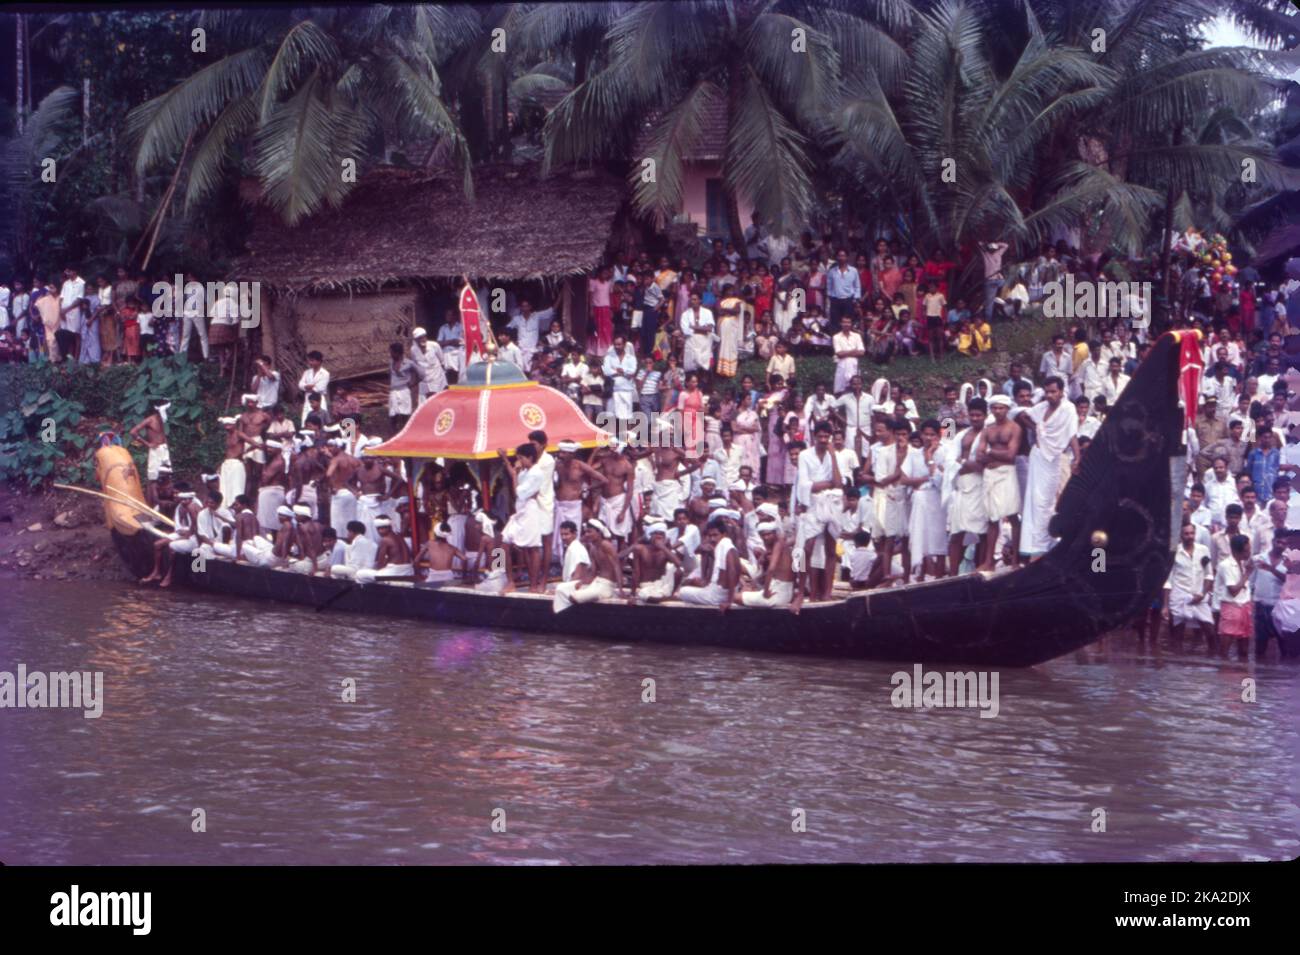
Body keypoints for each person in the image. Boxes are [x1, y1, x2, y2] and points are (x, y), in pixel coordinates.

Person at [1015, 376, 1079, 558]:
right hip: (1037, 455)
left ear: (1061, 391)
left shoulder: (1068, 409)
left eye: (1053, 391)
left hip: (1054, 458)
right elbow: (1022, 415)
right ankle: (1035, 546)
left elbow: (1072, 435)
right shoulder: (1041, 407)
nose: (1050, 395)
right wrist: (1036, 428)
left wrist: (1077, 459)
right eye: (1047, 392)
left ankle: (1046, 542)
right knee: (1034, 500)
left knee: (1047, 502)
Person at [978, 395, 1022, 570]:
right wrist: (993, 455)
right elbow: (979, 455)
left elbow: (1011, 455)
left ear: (1007, 409)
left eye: (1001, 408)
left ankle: (1015, 560)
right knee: (991, 518)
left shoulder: (1014, 428)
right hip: (990, 475)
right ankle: (989, 562)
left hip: (1007, 474)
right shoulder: (988, 429)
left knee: (1012, 516)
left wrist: (990, 453)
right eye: (994, 408)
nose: (997, 411)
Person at [498, 443, 547, 593]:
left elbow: (518, 492)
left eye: (520, 458)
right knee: (504, 542)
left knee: (533, 548)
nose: (518, 461)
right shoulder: (524, 471)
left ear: (530, 457)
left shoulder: (536, 473)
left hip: (530, 512)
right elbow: (516, 479)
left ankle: (533, 585)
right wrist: (505, 459)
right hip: (520, 512)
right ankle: (509, 581)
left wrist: (514, 475)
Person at [1163, 520, 1216, 652]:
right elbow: (1168, 581)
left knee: (1210, 632)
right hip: (1179, 596)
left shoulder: (1203, 550)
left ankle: (1213, 664)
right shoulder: (1174, 552)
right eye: (1186, 534)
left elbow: (1209, 575)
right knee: (1177, 635)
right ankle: (1176, 668)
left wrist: (1203, 594)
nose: (1190, 536)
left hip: (1199, 595)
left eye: (1192, 533)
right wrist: (1165, 606)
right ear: (1181, 536)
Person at [553, 519, 621, 611]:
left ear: (599, 532)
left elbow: (617, 567)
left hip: (607, 585)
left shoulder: (606, 545)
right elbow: (593, 572)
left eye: (589, 532)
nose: (586, 535)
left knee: (574, 597)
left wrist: (620, 590)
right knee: (561, 589)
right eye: (586, 532)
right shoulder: (593, 548)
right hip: (596, 582)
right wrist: (581, 582)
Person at [678, 518, 740, 609]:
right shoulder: (727, 545)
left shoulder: (724, 545)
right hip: (721, 592)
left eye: (715, 535)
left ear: (724, 534)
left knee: (682, 591)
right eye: (710, 536)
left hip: (718, 596)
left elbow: (732, 571)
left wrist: (729, 601)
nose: (712, 539)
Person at [1214, 533, 1253, 659]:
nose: (1249, 552)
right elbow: (1233, 591)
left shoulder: (1242, 563)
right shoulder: (1225, 565)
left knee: (1244, 650)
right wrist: (1247, 574)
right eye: (1247, 550)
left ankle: (1242, 675)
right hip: (1231, 607)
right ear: (1238, 551)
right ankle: (1224, 676)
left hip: (1245, 607)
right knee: (1224, 650)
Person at [740, 521, 795, 608]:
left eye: (768, 534)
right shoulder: (775, 546)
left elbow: (771, 569)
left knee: (734, 597)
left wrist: (765, 591)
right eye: (763, 535)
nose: (766, 537)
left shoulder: (779, 543)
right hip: (784, 592)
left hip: (777, 595)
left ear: (774, 533)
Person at [628, 522, 682, 603]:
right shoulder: (640, 549)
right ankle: (666, 598)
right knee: (644, 595)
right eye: (656, 533)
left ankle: (670, 595)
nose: (659, 536)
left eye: (661, 534)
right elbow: (636, 572)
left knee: (679, 570)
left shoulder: (666, 551)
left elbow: (678, 564)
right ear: (650, 536)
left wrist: (662, 547)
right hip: (646, 586)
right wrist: (632, 594)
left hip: (662, 584)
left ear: (665, 537)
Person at [129, 400, 172, 503]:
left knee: (167, 475)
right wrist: (147, 444)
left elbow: (162, 434)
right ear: (159, 410)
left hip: (163, 449)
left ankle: (164, 504)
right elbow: (133, 432)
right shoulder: (150, 420)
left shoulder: (162, 419)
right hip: (155, 451)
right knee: (153, 479)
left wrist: (165, 445)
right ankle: (151, 505)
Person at [355, 516, 413, 583]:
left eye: (382, 528)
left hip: (395, 573)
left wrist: (378, 569)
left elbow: (380, 564)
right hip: (408, 570)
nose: (380, 531)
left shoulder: (385, 540)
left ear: (390, 527)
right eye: (378, 529)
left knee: (359, 574)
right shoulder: (399, 536)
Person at [298, 351, 330, 426]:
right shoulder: (307, 372)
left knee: (320, 422)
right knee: (306, 422)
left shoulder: (325, 373)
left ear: (319, 361)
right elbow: (300, 385)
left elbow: (319, 388)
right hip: (308, 399)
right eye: (309, 360)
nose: (310, 362)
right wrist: (309, 386)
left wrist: (306, 386)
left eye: (312, 360)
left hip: (319, 399)